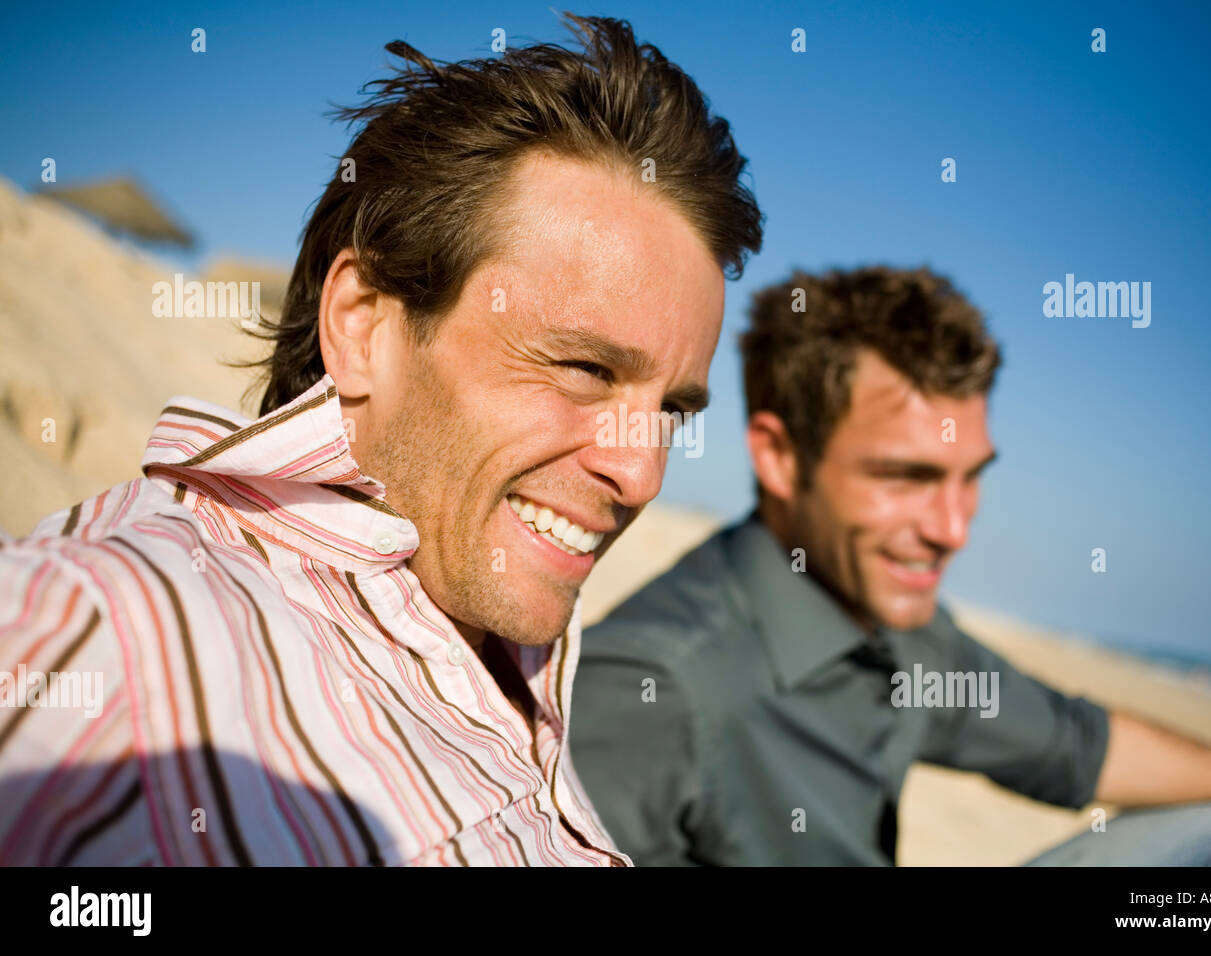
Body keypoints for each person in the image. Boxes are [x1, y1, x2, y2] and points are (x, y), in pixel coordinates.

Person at [0, 14, 763, 865]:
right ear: (365, 326)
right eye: (583, 367)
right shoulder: (101, 634)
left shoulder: (510, 657)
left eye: (672, 412)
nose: (642, 470)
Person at [570, 265, 1211, 866]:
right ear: (780, 456)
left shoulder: (903, 625)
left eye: (970, 476)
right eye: (908, 477)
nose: (953, 529)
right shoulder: (653, 686)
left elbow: (1072, 746)